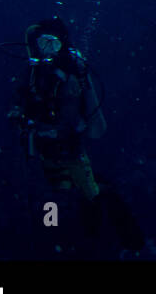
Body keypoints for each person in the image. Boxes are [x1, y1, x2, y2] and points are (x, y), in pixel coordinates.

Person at [9, 17, 106, 200]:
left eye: (53, 44)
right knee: (56, 195)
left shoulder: (74, 73)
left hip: (72, 149)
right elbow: (20, 96)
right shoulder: (33, 72)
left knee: (89, 196)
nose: (48, 50)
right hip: (44, 151)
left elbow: (88, 114)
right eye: (43, 43)